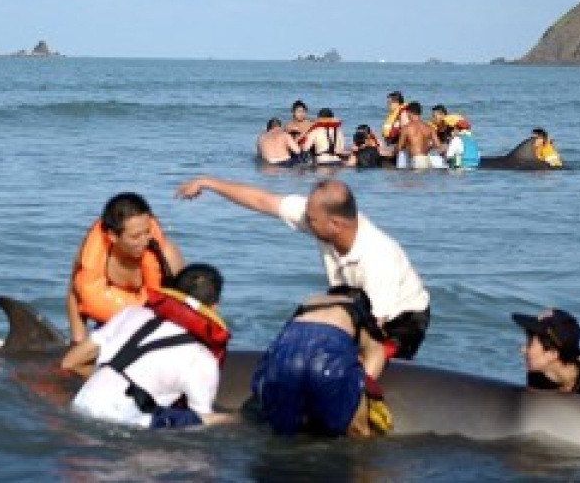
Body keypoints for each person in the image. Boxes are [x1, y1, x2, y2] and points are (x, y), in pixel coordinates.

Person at [175, 177, 430, 371]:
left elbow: (374, 329)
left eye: (312, 219)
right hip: (351, 297)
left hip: (401, 319)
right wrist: (207, 182)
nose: (307, 222)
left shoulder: (377, 256)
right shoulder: (321, 217)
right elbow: (263, 201)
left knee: (352, 362)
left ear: (336, 225)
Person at [61, 264, 232, 430]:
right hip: (124, 424)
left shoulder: (130, 314)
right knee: (222, 420)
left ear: (172, 292)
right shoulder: (202, 359)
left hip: (80, 405)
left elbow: (70, 362)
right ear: (214, 307)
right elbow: (199, 422)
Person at [251, 286, 392, 437]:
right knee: (360, 434)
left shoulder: (307, 306)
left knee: (284, 435)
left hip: (281, 360)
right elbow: (377, 351)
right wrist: (362, 386)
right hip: (326, 360)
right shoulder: (356, 309)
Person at [67, 192, 185, 344]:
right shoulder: (93, 254)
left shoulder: (167, 257)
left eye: (147, 232)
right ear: (113, 236)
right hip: (108, 324)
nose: (145, 241)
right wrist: (78, 339)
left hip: (154, 331)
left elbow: (186, 309)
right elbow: (75, 291)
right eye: (135, 237)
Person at [395, 102, 443, 169]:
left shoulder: (406, 128)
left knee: (413, 179)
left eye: (407, 113)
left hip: (416, 161)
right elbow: (439, 146)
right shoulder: (429, 128)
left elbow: (399, 147)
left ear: (409, 112)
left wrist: (390, 151)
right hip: (426, 159)